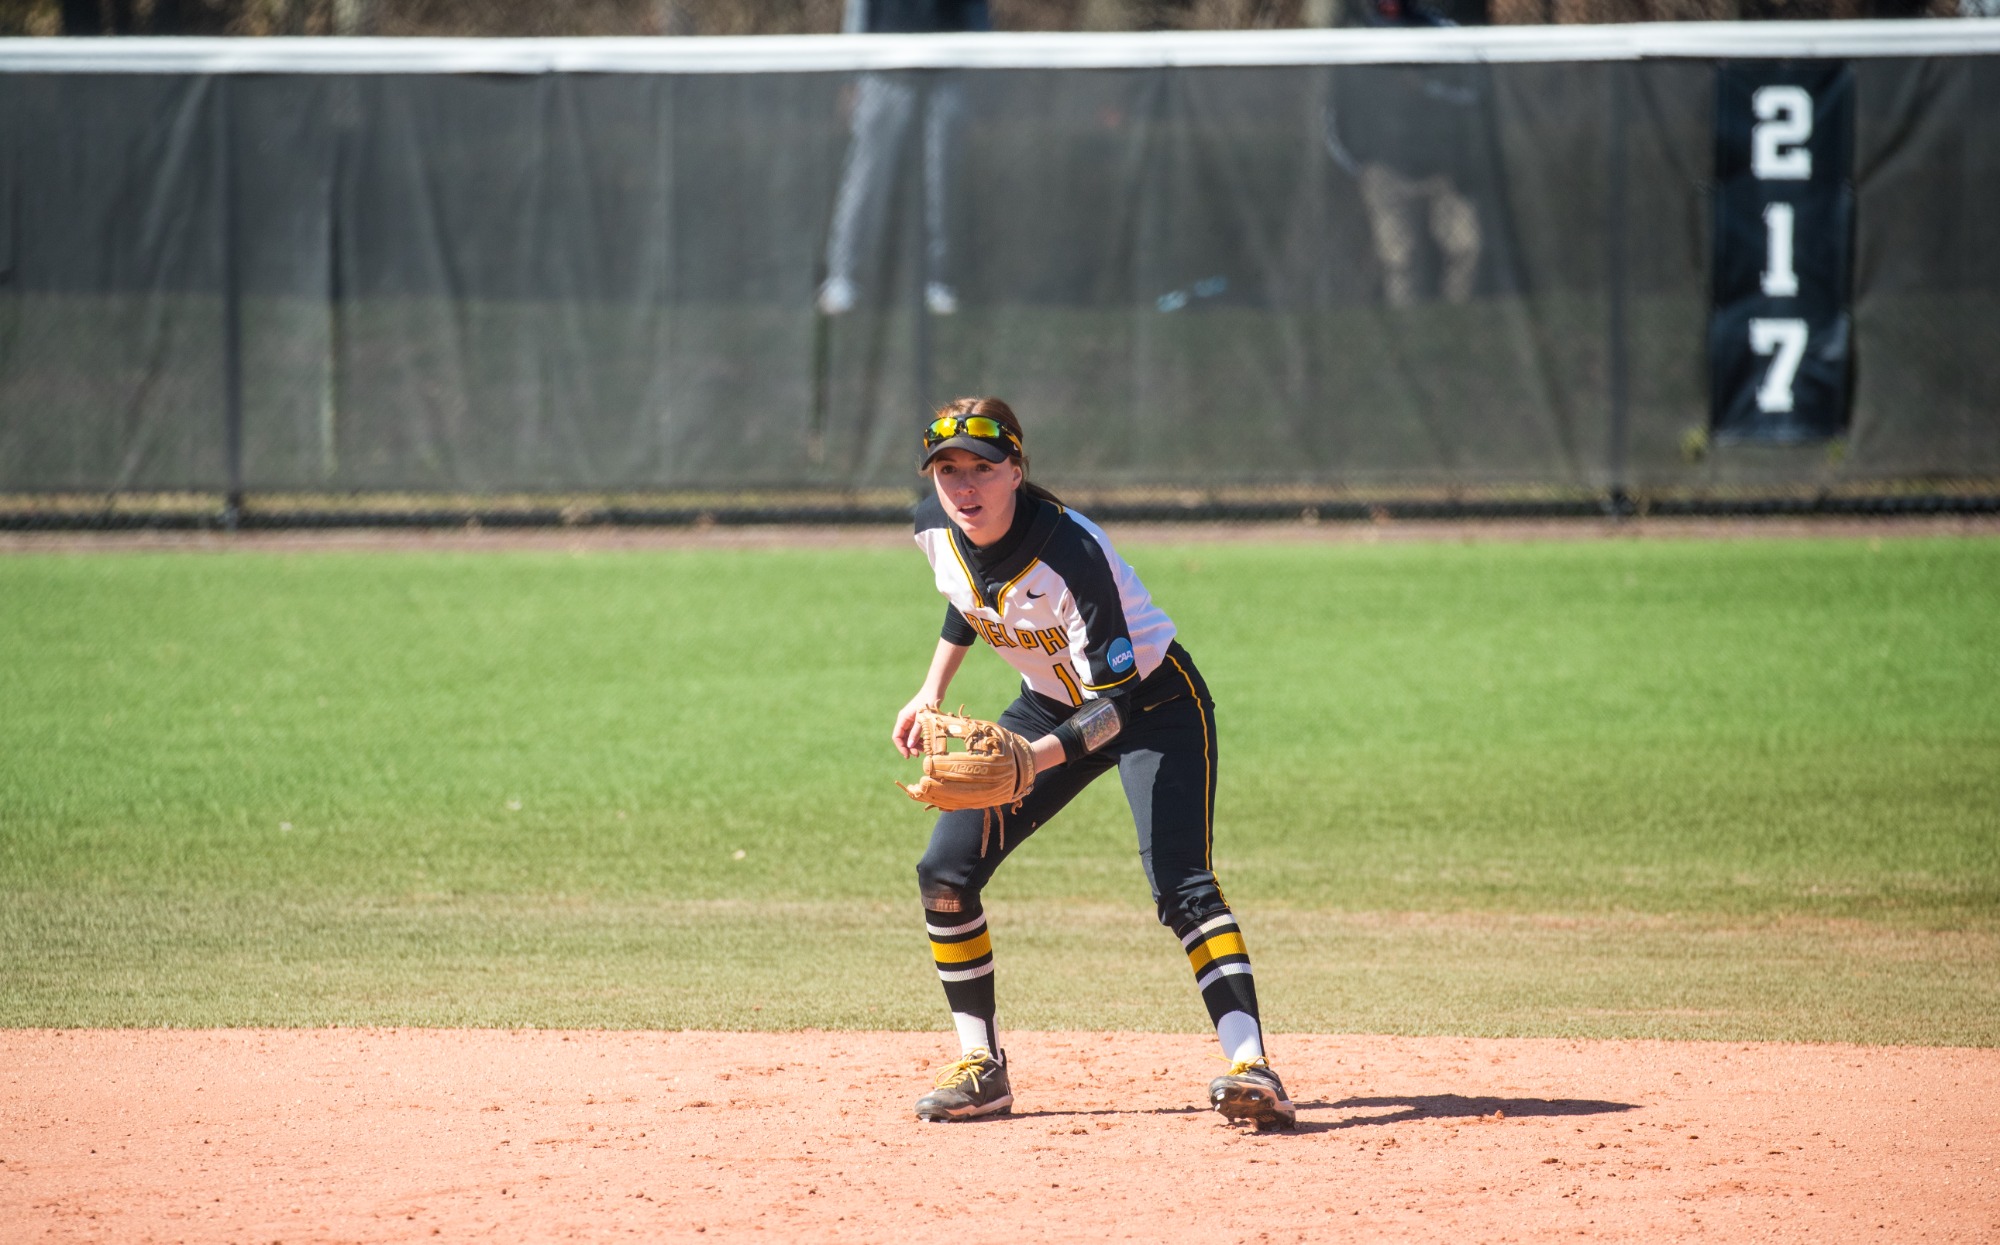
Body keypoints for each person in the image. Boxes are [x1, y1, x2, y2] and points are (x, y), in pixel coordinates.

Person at [891, 396, 1295, 1129]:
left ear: (1016, 469)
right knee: (944, 873)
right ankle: (981, 1068)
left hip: (1152, 704)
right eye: (947, 470)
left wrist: (1030, 760)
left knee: (1182, 884)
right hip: (1049, 703)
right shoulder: (932, 526)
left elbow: (1114, 707)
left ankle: (1251, 1066)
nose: (963, 486)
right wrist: (931, 688)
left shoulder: (1069, 551)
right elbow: (967, 596)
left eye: (981, 467)